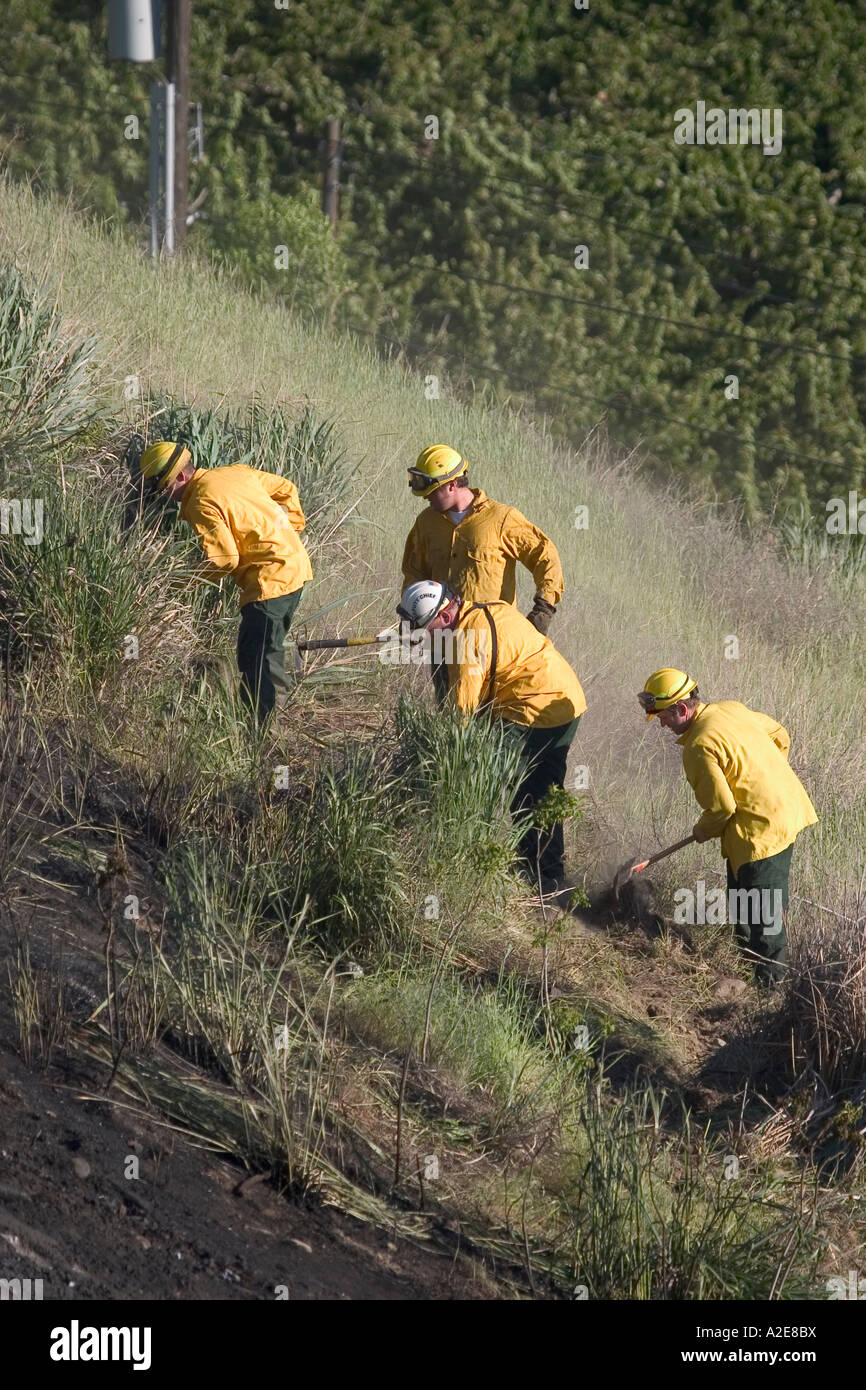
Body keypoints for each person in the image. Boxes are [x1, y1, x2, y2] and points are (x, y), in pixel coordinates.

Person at [397, 580, 586, 899]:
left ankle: (492, 865)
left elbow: (461, 721)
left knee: (485, 778)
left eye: (422, 627)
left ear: (444, 617)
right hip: (566, 698)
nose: (420, 635)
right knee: (538, 788)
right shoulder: (486, 606)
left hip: (536, 707)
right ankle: (545, 875)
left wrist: (433, 761)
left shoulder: (466, 644)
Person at [638, 668, 818, 986]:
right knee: (743, 901)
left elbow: (722, 808)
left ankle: (771, 992)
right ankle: (748, 975)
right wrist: (769, 777)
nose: (661, 724)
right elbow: (780, 734)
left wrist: (701, 831)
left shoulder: (698, 746)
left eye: (662, 716)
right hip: (785, 813)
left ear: (681, 708)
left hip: (761, 832)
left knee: (763, 913)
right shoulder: (731, 709)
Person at [138, 441, 312, 722]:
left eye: (164, 488)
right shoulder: (235, 472)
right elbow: (287, 488)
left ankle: (261, 736)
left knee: (262, 660)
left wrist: (179, 584)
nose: (165, 496)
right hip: (293, 570)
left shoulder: (199, 500)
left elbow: (224, 559)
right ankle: (253, 726)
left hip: (269, 582)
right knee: (259, 652)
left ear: (181, 476)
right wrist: (288, 532)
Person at [401, 445, 564, 700]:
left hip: (493, 644)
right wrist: (411, 618)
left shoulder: (501, 519)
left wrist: (544, 607)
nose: (426, 498)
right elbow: (413, 573)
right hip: (443, 642)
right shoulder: (426, 523)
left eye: (432, 491)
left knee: (490, 716)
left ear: (452, 484)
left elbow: (546, 556)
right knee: (451, 713)